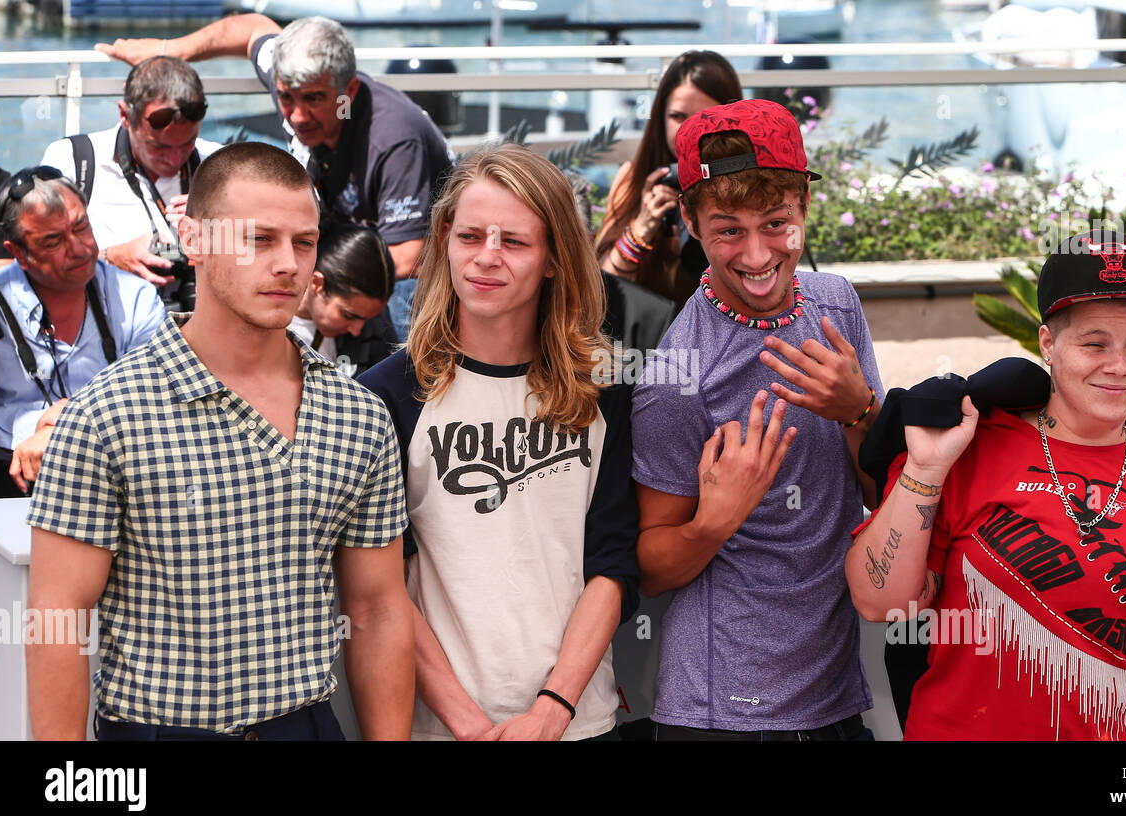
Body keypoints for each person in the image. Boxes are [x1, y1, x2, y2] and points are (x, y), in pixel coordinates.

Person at [24, 142, 415, 740]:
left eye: (303, 241)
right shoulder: (108, 415)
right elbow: (57, 618)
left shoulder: (357, 415)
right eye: (258, 239)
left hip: (306, 726)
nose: (288, 264)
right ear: (194, 238)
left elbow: (377, 610)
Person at [847, 230, 1126, 740]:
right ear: (1048, 343)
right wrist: (925, 472)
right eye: (1094, 344)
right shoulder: (967, 448)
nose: (1119, 366)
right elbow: (880, 603)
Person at [359, 144, 640, 741]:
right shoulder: (384, 395)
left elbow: (612, 563)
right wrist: (469, 724)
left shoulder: (604, 386)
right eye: (470, 237)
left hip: (578, 722)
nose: (486, 258)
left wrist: (551, 710)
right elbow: (382, 587)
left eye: (513, 242)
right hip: (445, 729)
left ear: (554, 259)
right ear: (444, 240)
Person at [631, 98, 885, 740]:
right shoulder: (675, 371)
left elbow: (882, 496)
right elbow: (652, 566)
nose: (755, 254)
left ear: (804, 208)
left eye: (775, 223)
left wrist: (860, 412)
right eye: (727, 229)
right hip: (720, 715)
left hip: (834, 696)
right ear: (689, 221)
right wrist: (716, 520)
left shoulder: (836, 305)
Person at [97, 14, 454, 339]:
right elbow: (252, 28)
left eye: (314, 99)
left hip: (417, 276)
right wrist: (167, 50)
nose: (297, 116)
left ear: (350, 92)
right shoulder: (294, 74)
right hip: (340, 242)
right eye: (286, 98)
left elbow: (408, 255)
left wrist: (301, 279)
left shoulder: (393, 139)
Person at [0, 166, 165, 498]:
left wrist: (66, 424)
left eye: (81, 226)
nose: (80, 249)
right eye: (53, 241)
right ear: (18, 253)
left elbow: (153, 400)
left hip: (118, 473)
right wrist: (33, 426)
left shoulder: (136, 299)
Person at [40, 56, 222, 309]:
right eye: (158, 146)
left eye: (187, 143)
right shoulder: (72, 161)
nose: (174, 158)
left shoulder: (219, 166)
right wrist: (109, 259)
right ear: (125, 116)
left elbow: (258, 253)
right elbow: (37, 260)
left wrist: (223, 217)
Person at [595, 50, 742, 310]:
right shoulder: (636, 177)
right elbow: (599, 291)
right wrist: (641, 230)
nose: (689, 130)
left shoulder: (750, 180)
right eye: (678, 117)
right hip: (649, 339)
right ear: (660, 117)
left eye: (704, 118)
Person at [289, 219, 397, 377]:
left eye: (367, 319)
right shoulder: (269, 327)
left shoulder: (376, 326)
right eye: (348, 315)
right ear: (318, 284)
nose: (356, 330)